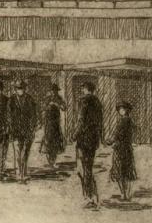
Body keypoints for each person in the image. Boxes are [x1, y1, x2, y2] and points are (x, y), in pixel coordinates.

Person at [73, 81, 105, 209]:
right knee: (88, 168)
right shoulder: (98, 103)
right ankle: (93, 197)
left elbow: (81, 121)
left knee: (82, 169)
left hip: (83, 139)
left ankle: (89, 197)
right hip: (93, 140)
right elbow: (100, 123)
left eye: (83, 89)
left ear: (86, 89)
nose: (82, 91)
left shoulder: (84, 101)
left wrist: (74, 135)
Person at [9, 78, 39, 184]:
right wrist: (11, 127)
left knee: (25, 153)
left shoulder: (30, 99)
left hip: (27, 131)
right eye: (18, 88)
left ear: (25, 89)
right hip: (16, 131)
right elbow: (8, 115)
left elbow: (34, 115)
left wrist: (33, 127)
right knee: (17, 153)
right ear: (15, 89)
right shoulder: (11, 99)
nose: (20, 90)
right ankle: (19, 174)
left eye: (21, 88)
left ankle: (24, 173)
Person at [110, 101, 137, 202]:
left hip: (121, 149)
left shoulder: (125, 121)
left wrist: (113, 141)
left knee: (121, 172)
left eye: (123, 109)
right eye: (120, 109)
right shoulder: (127, 120)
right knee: (126, 172)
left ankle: (124, 194)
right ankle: (126, 194)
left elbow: (120, 136)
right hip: (125, 148)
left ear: (127, 110)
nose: (121, 110)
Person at [41, 83, 67, 168]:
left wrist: (57, 105)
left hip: (56, 123)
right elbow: (42, 108)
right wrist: (48, 105)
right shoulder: (47, 98)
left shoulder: (59, 98)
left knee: (56, 141)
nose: (53, 92)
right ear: (50, 91)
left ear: (56, 91)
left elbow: (64, 107)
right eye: (52, 91)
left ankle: (53, 160)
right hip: (48, 123)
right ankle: (50, 160)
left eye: (55, 91)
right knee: (48, 140)